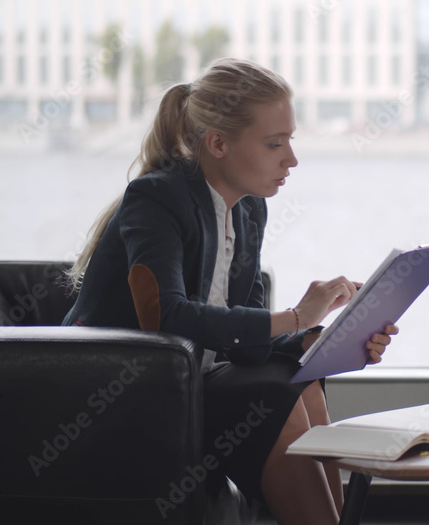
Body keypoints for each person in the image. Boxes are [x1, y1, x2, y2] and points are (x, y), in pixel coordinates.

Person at [63, 58, 397, 524]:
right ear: (218, 143)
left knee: (296, 374)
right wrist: (296, 317)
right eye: (274, 144)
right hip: (126, 390)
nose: (292, 159)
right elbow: (165, 318)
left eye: (291, 141)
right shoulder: (157, 198)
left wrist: (317, 341)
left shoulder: (248, 209)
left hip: (192, 380)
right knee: (279, 390)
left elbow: (243, 330)